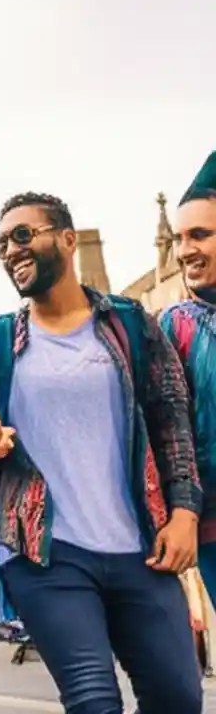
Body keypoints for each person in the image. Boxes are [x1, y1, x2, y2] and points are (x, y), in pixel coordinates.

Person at [0, 191, 203, 713]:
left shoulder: (130, 323)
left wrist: (185, 513)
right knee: (93, 700)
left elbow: (170, 419)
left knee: (178, 698)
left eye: (23, 235)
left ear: (68, 240)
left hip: (141, 545)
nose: (11, 250)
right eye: (1, 243)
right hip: (45, 552)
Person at [159, 151, 216, 597]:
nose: (184, 251)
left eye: (200, 235)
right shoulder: (175, 325)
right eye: (179, 238)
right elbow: (165, 427)